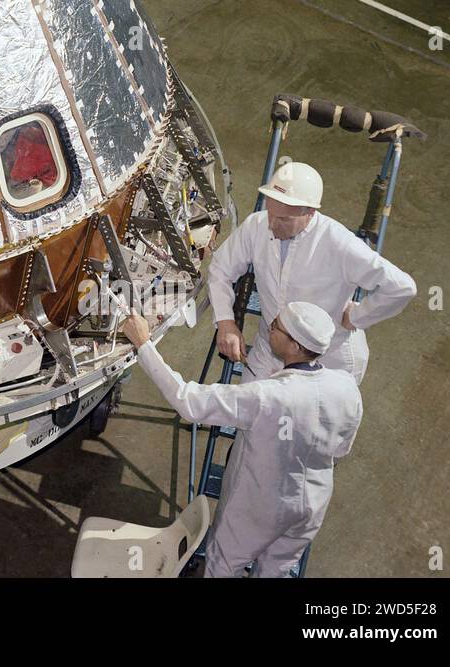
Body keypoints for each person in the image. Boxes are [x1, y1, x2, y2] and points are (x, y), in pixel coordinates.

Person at [123, 301, 362, 578]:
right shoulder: (346, 386)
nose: (269, 328)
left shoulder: (268, 396)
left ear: (295, 346)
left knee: (221, 565)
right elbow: (341, 449)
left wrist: (143, 344)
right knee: (276, 570)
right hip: (312, 506)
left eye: (276, 328)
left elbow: (188, 401)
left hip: (261, 506)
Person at [209, 159, 416, 384]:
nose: (272, 224)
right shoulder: (256, 226)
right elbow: (220, 269)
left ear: (310, 212)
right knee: (249, 411)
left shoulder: (339, 244)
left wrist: (358, 316)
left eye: (284, 219)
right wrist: (226, 322)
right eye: (270, 212)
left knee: (308, 416)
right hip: (270, 351)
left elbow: (402, 287)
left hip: (327, 362)